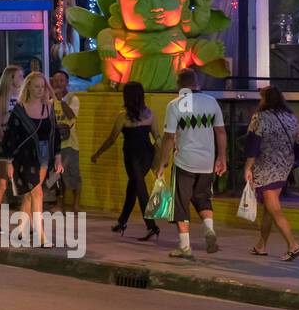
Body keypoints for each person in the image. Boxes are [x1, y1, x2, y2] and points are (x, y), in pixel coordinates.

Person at [154, 68, 226, 259]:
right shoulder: (211, 102)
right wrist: (222, 158)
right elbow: (221, 132)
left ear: (178, 85)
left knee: (181, 204)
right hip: (207, 161)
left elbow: (169, 137)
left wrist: (162, 162)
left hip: (185, 162)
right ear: (197, 83)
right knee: (203, 198)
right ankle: (209, 230)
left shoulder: (175, 105)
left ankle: (185, 247)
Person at [244, 86, 299, 261]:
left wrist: (247, 168)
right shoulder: (291, 118)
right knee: (269, 209)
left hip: (265, 167)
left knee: (275, 209)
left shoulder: (260, 117)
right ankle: (261, 245)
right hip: (284, 167)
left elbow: (253, 145)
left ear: (265, 99)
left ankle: (293, 245)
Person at [91, 81, 161, 240]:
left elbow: (111, 139)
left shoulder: (122, 117)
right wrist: (163, 155)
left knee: (139, 187)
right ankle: (122, 222)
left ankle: (152, 226)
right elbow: (157, 136)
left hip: (132, 156)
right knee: (134, 187)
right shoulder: (149, 113)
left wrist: (98, 153)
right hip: (147, 154)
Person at [2, 71, 62, 244]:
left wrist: (57, 157)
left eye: (42, 87)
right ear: (28, 86)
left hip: (44, 156)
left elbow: (55, 134)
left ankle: (21, 228)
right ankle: (40, 234)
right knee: (37, 192)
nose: (40, 90)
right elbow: (10, 137)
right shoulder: (20, 110)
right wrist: (9, 161)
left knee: (30, 193)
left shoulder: (48, 108)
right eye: (36, 86)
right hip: (24, 157)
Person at [0, 64, 23, 225]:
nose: (22, 79)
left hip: (21, 142)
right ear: (11, 78)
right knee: (1, 182)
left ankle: (24, 219)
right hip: (5, 142)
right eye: (20, 76)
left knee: (23, 183)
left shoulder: (23, 97)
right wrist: (6, 144)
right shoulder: (1, 98)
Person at [50, 71, 82, 215]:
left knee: (72, 174)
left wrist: (61, 101)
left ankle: (76, 203)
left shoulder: (72, 99)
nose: (58, 84)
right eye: (56, 81)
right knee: (57, 177)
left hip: (70, 144)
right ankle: (59, 204)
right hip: (55, 144)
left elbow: (71, 116)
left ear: (67, 83)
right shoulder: (49, 101)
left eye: (61, 81)